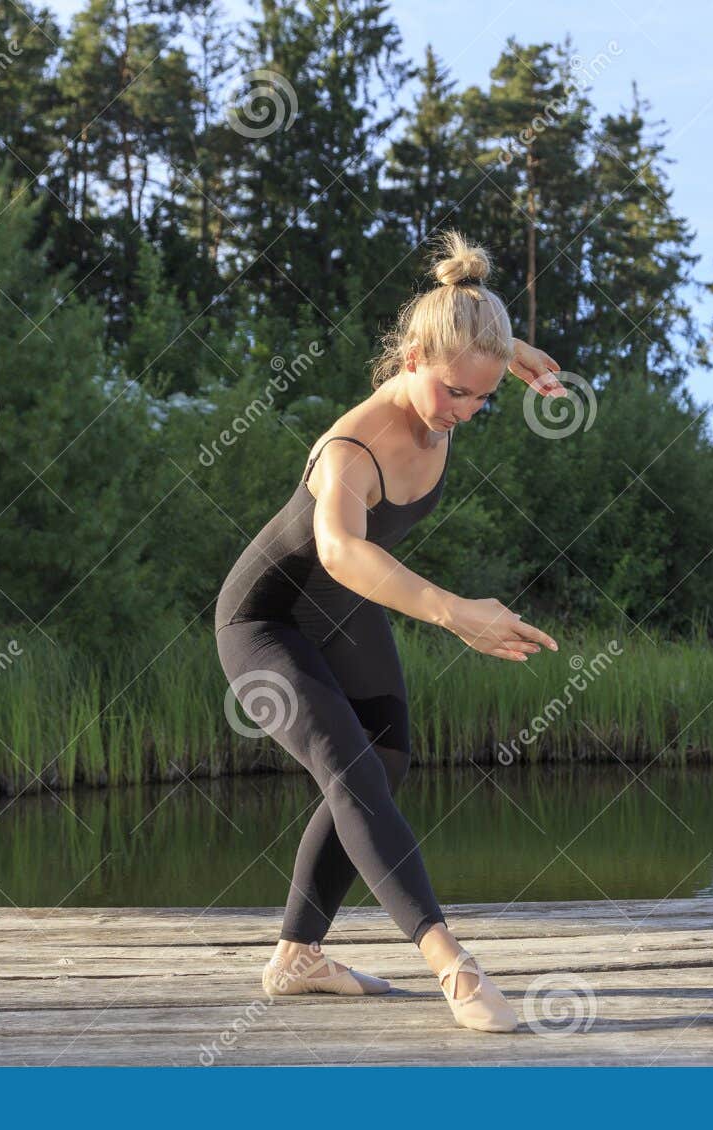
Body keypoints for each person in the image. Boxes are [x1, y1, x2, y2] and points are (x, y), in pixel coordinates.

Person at [213, 230, 564, 1033]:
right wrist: (454, 612)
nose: (465, 412)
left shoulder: (460, 369)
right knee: (354, 774)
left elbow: (479, 350)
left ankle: (297, 957)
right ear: (410, 358)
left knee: (389, 760)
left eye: (483, 399)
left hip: (341, 611)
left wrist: (522, 360)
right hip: (265, 622)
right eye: (453, 393)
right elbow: (338, 551)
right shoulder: (351, 448)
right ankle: (454, 967)